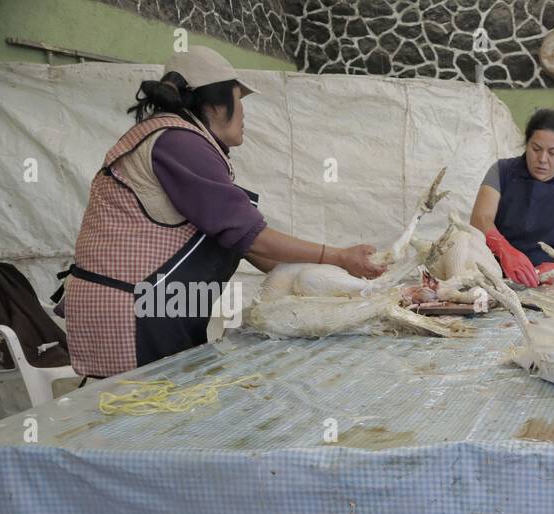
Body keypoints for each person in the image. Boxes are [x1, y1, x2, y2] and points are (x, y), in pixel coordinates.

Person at [60, 45, 384, 379]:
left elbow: (249, 246)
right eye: (238, 98)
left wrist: (338, 278)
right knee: (141, 415)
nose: (243, 112)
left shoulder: (180, 140)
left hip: (157, 304)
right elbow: (254, 239)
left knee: (164, 412)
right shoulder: (178, 143)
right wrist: (339, 257)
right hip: (134, 312)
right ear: (214, 104)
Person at [470, 109, 554, 288]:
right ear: (526, 144)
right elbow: (481, 218)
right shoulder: (502, 172)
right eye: (536, 149)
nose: (542, 159)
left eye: (553, 152)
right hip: (500, 279)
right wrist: (504, 250)